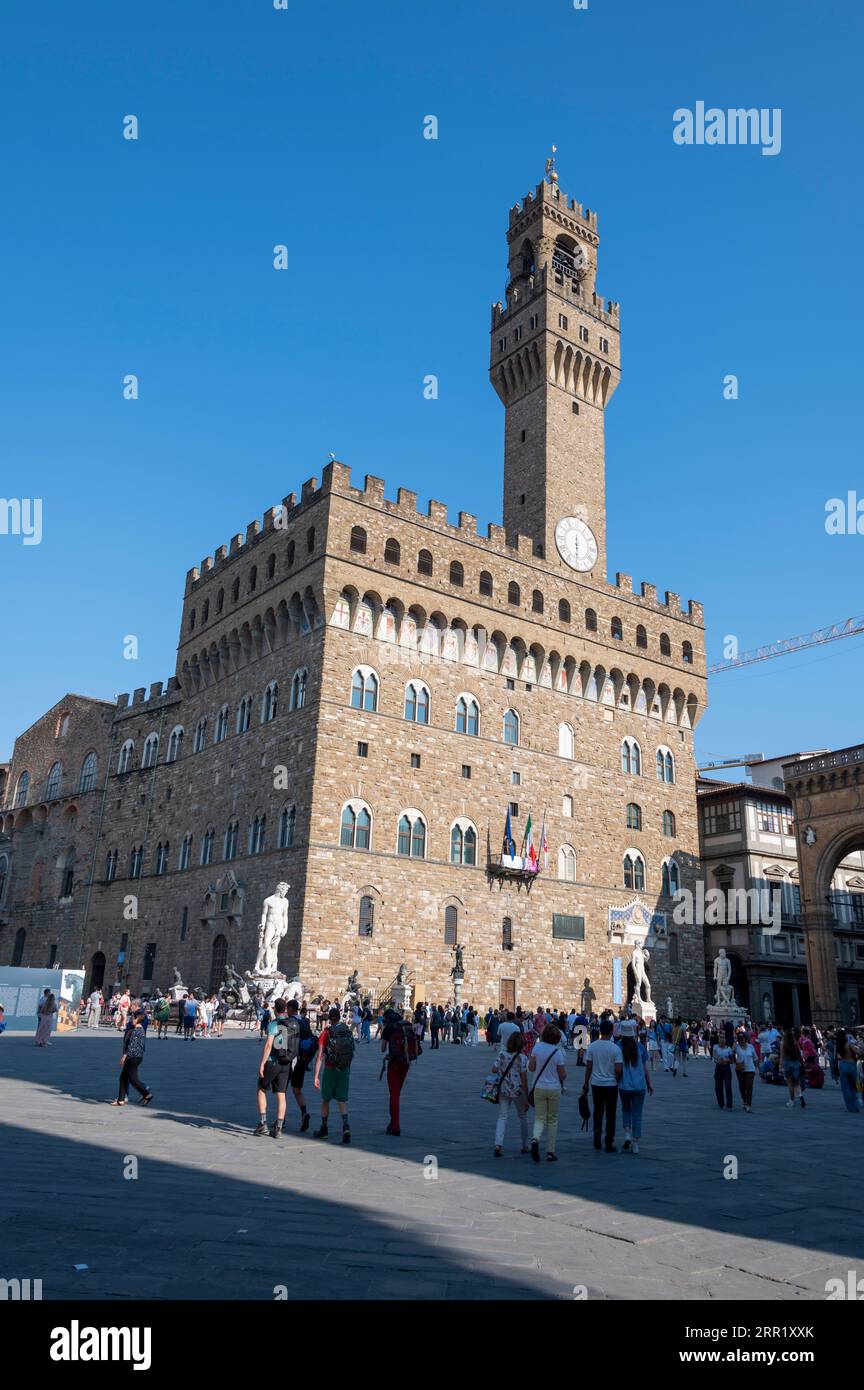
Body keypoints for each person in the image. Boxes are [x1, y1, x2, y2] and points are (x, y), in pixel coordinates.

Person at [254, 997, 297, 1137]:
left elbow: (268, 1045)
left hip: (273, 1061)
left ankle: (263, 1123)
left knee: (261, 1089)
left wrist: (262, 1063)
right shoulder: (293, 1023)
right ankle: (278, 1128)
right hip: (286, 1062)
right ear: (285, 1009)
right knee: (281, 1094)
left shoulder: (274, 1023)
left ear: (275, 1009)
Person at [313, 1006, 354, 1142]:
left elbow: (320, 1056)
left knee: (325, 1100)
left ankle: (324, 1129)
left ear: (330, 1019)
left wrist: (316, 1076)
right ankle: (346, 1126)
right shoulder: (346, 1031)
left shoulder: (326, 1033)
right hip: (344, 1069)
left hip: (330, 1069)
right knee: (342, 1101)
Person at [528, 1023, 567, 1162]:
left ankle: (535, 1138)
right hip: (554, 1088)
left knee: (539, 1117)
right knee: (552, 1120)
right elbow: (563, 1075)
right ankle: (550, 1151)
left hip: (539, 1087)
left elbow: (531, 1068)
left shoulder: (537, 1048)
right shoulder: (558, 1052)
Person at [582, 1018, 623, 1152]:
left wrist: (585, 1084)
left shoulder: (592, 1047)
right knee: (611, 1113)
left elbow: (588, 1067)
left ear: (600, 1031)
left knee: (598, 1110)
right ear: (612, 1032)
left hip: (596, 1083)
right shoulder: (615, 1049)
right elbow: (618, 1069)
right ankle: (609, 1142)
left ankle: (597, 1136)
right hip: (611, 1085)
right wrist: (617, 1080)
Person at [381, 1008, 421, 1135]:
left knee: (394, 1095)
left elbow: (382, 1049)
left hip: (394, 1063)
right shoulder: (406, 1025)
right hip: (406, 1062)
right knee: (397, 1093)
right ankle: (393, 1122)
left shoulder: (389, 1028)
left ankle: (395, 1125)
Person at [491, 1030, 530, 1157]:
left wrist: (502, 1070)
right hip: (518, 1090)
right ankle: (525, 1145)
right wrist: (527, 1097)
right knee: (522, 1117)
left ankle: (498, 1144)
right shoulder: (523, 1058)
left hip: (503, 1088)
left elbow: (494, 1069)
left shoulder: (502, 1054)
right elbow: (524, 1078)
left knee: (502, 1116)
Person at [618, 1020, 652, 1154]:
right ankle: (636, 1144)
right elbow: (644, 1069)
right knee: (637, 1114)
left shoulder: (618, 1046)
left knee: (626, 1110)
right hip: (639, 1086)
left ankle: (627, 1134)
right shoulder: (640, 1047)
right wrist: (649, 1083)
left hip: (624, 1086)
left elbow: (618, 1068)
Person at [111, 1009, 153, 1106]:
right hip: (138, 1056)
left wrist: (125, 1056)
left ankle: (146, 1094)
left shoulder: (136, 1031)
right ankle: (121, 1099)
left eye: (132, 1018)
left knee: (133, 1080)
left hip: (133, 1057)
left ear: (136, 1019)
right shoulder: (141, 1029)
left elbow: (132, 1045)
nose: (131, 1020)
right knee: (124, 1077)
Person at [287, 1000, 315, 1130]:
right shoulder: (304, 1021)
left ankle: (281, 1119)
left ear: (291, 1008)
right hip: (303, 1060)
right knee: (297, 1090)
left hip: (291, 1058)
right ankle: (304, 1113)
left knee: (282, 1091)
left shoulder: (291, 1021)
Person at [834, 1030, 860, 1113]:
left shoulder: (838, 1046)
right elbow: (857, 1052)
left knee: (845, 1088)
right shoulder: (849, 1044)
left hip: (843, 1065)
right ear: (845, 1036)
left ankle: (850, 1107)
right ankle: (856, 1105)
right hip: (851, 1065)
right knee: (853, 1087)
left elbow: (838, 1057)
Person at [734, 1028, 757, 1112]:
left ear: (746, 1039)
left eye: (743, 1039)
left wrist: (757, 1068)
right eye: (740, 1039)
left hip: (750, 1069)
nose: (742, 1041)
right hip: (740, 1070)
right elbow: (731, 1052)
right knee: (742, 1086)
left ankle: (748, 1104)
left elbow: (755, 1058)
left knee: (749, 1087)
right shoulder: (737, 1047)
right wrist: (735, 1041)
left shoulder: (750, 1047)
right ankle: (744, 1100)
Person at [781, 1029, 805, 1108]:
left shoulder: (784, 1044)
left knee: (790, 1084)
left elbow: (782, 1056)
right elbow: (800, 1056)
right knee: (797, 1083)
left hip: (788, 1064)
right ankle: (801, 1095)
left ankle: (791, 1100)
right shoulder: (795, 1044)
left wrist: (781, 1066)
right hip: (796, 1064)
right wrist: (802, 1064)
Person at [712, 1032, 734, 1109]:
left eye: (723, 1038)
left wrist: (726, 1060)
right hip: (718, 1067)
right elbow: (714, 1056)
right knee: (718, 1087)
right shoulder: (715, 1047)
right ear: (718, 1039)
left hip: (726, 1068)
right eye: (720, 1037)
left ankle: (729, 1104)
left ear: (725, 1039)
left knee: (728, 1086)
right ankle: (721, 1103)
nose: (722, 1039)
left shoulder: (728, 1049)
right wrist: (718, 1059)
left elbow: (732, 1060)